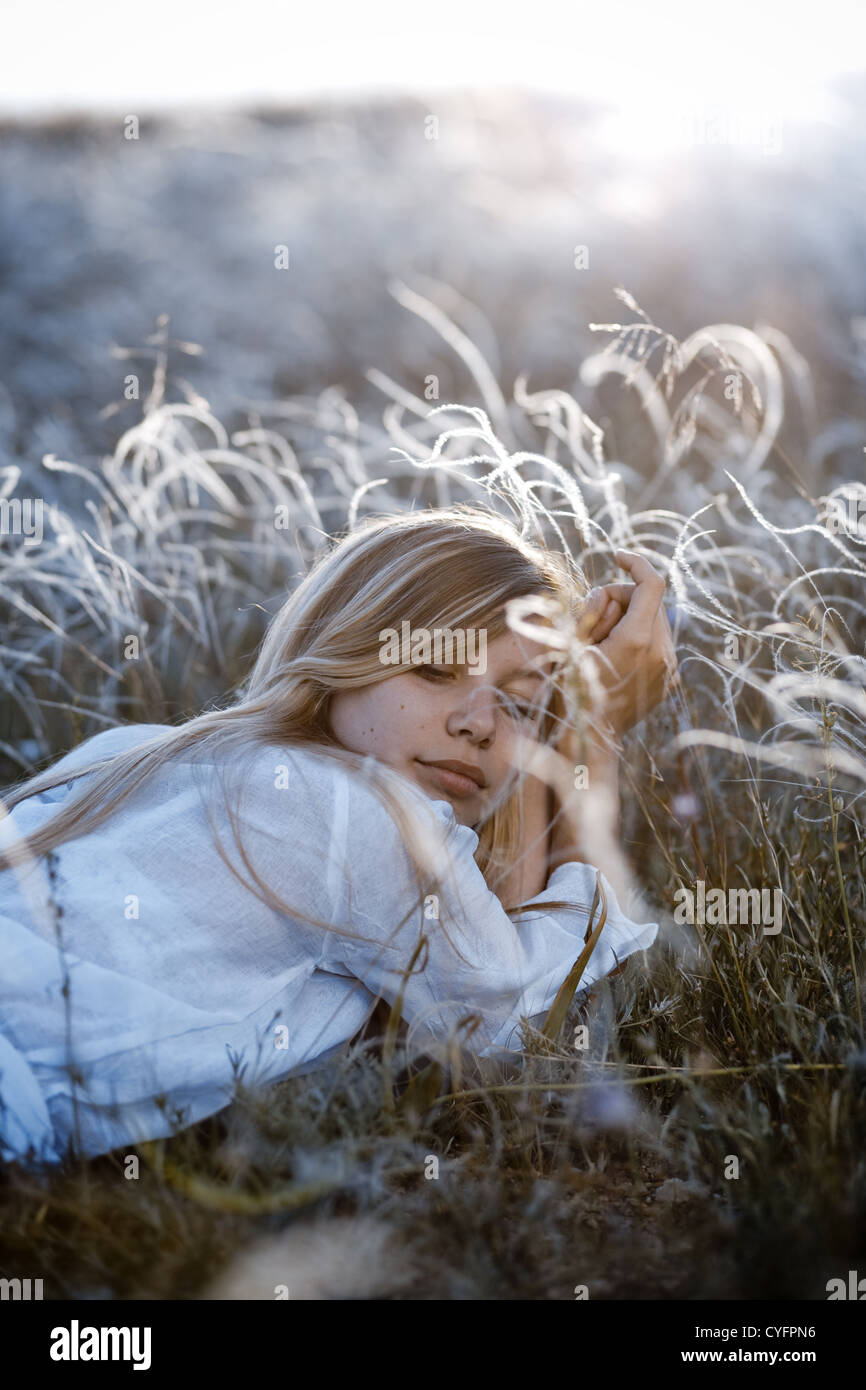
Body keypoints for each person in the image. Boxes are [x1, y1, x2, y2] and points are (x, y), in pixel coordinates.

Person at [0, 505, 675, 1169]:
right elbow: (512, 1026)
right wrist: (593, 731)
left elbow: (486, 960)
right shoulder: (359, 810)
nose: (478, 722)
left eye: (520, 706)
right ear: (344, 653)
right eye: (435, 669)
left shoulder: (137, 754)